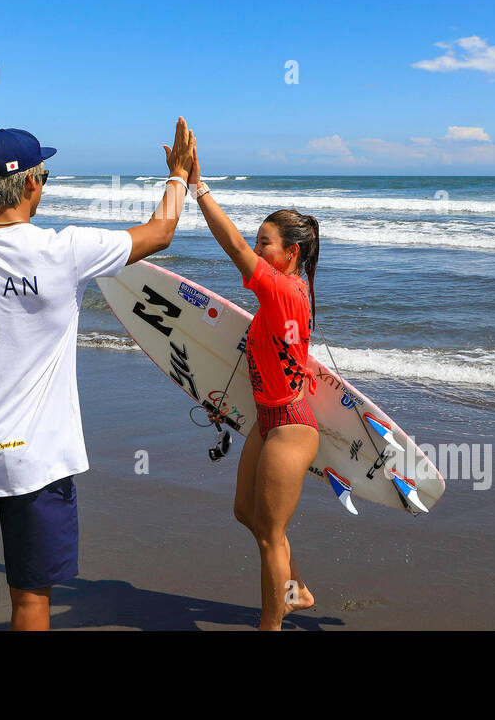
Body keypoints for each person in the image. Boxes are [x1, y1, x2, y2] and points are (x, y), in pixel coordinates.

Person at [0, 120, 195, 631]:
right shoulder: (64, 250)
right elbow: (161, 232)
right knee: (30, 597)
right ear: (33, 183)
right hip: (37, 461)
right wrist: (178, 178)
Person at [185, 140, 321, 630]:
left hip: (291, 426)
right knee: (248, 513)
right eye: (259, 241)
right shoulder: (282, 294)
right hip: (266, 419)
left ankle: (273, 624)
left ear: (292, 252)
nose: (258, 248)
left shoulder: (283, 289)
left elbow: (234, 250)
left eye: (266, 243)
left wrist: (196, 188)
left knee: (269, 534)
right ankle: (297, 589)